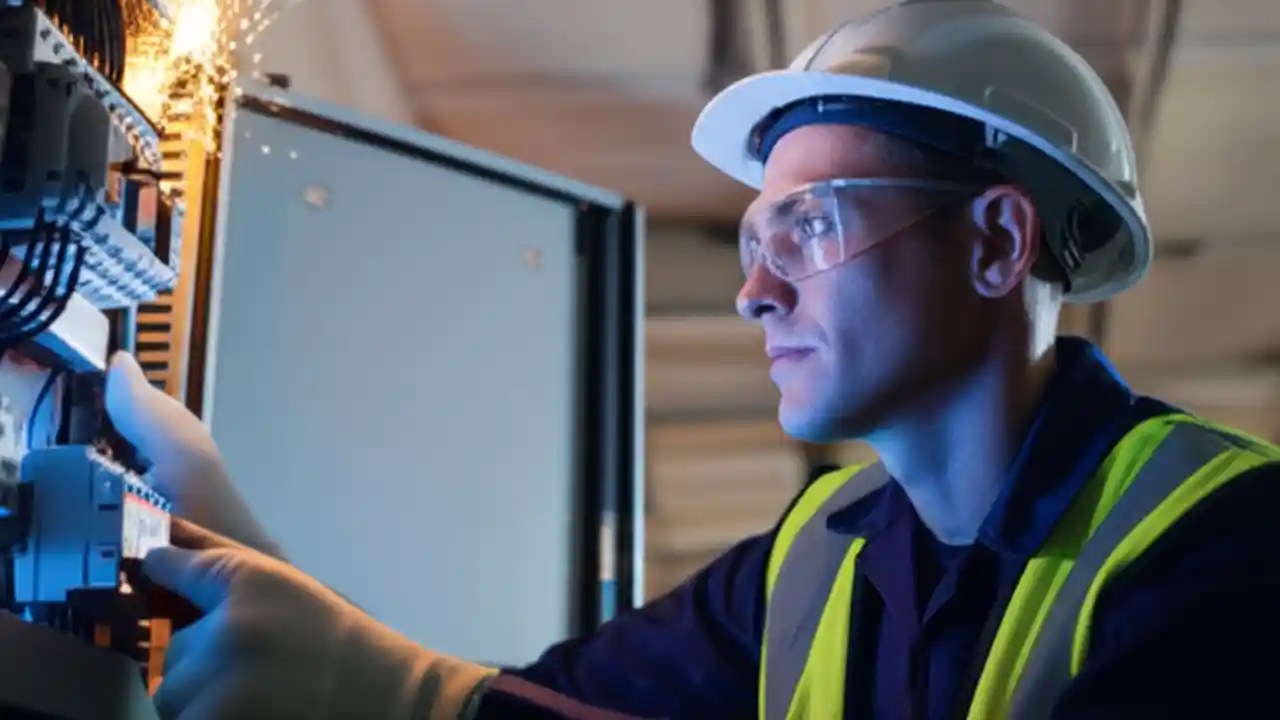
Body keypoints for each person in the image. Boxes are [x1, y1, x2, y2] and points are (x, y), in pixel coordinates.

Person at [102, 1, 1280, 718]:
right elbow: (525, 705)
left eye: (809, 226)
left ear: (993, 242)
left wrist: (397, 699)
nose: (753, 291)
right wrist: (263, 573)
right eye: (758, 237)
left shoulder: (1224, 542)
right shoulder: (809, 562)